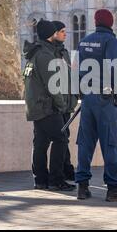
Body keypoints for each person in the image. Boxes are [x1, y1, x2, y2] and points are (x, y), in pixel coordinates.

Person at [75, 9, 117, 202]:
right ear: (111, 23)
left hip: (88, 97)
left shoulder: (84, 41)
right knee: (110, 143)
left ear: (96, 21)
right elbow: (115, 67)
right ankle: (113, 188)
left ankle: (82, 187)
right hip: (105, 99)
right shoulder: (111, 42)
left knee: (85, 143)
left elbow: (78, 70)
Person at [24, 19, 76, 192]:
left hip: (37, 106)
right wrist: (62, 105)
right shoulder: (45, 55)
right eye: (56, 32)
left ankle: (40, 180)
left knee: (41, 142)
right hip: (46, 107)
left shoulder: (36, 52)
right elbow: (52, 86)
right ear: (50, 35)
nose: (59, 34)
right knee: (60, 139)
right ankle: (55, 180)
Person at [52, 20, 79, 182]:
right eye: (62, 31)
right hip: (57, 103)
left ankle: (66, 168)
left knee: (64, 137)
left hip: (67, 102)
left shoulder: (64, 52)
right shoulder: (51, 52)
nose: (65, 34)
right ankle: (60, 172)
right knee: (59, 138)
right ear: (54, 33)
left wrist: (74, 97)